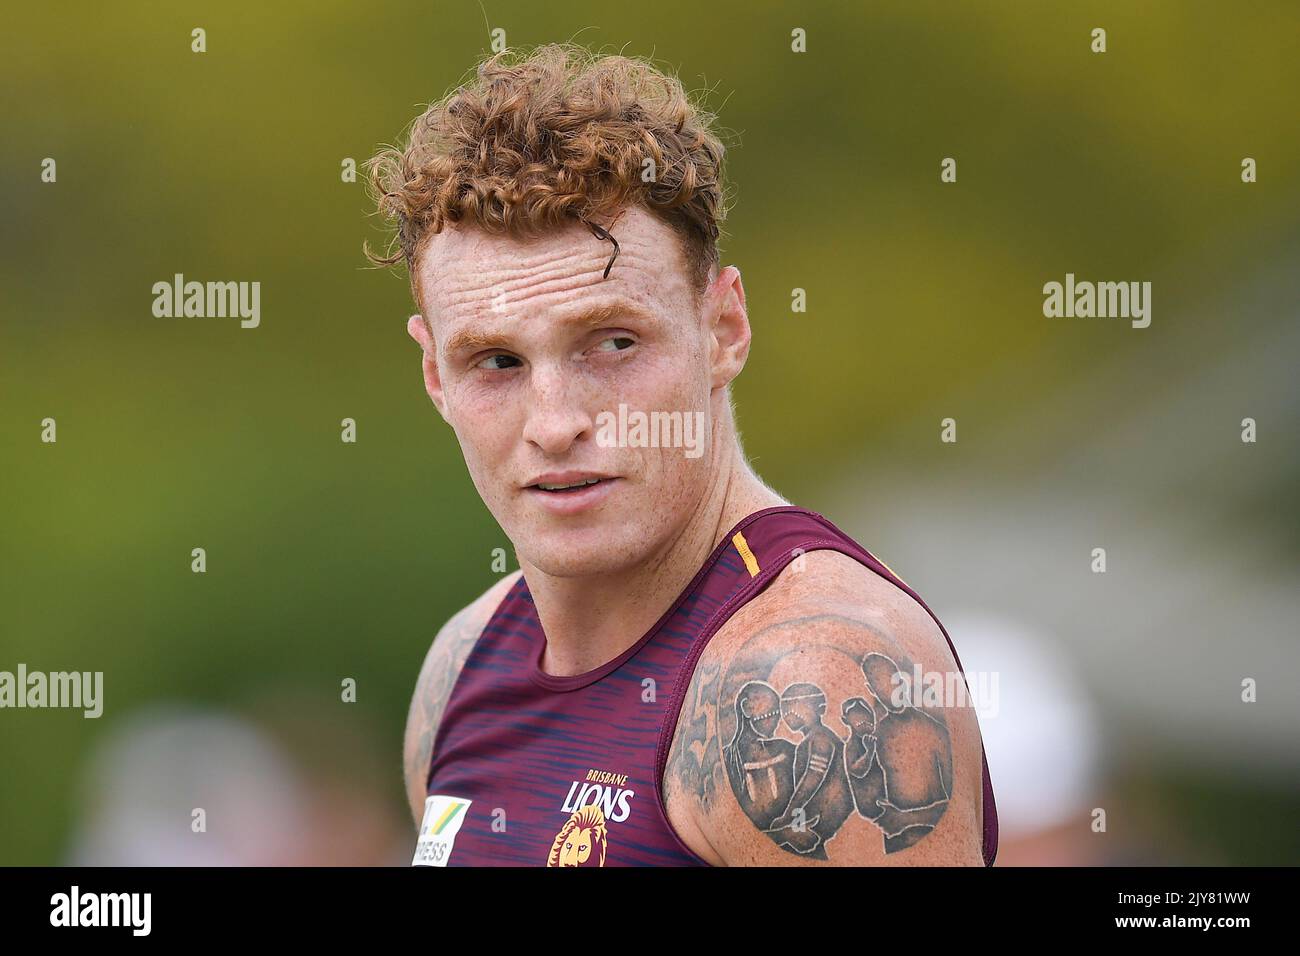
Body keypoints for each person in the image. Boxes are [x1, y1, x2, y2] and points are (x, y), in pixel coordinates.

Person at [368, 42, 998, 866]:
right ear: (434, 377)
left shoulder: (809, 670)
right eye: (498, 363)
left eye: (614, 342)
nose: (555, 423)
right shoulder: (462, 669)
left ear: (723, 329)